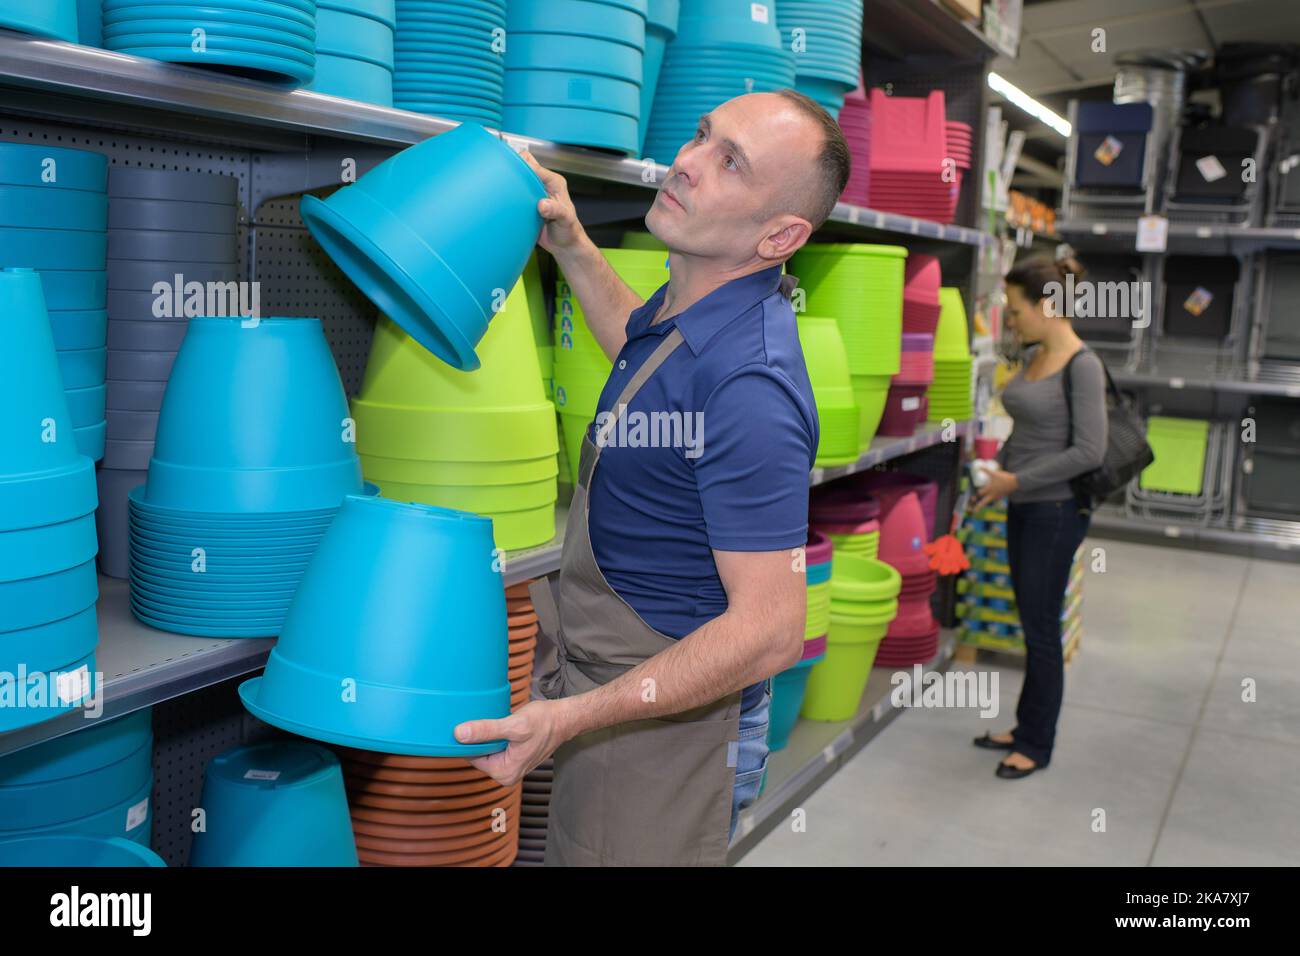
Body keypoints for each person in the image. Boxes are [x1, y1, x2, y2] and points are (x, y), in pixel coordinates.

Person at [454, 90, 851, 864]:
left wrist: (571, 718)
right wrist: (570, 243)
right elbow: (646, 360)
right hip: (619, 695)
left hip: (666, 724)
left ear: (780, 234)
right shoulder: (696, 312)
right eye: (703, 135)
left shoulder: (751, 389)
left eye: (729, 161)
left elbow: (770, 630)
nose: (688, 162)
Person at [971, 254, 1108, 779]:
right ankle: (1025, 725)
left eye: (1016, 308)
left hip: (1055, 512)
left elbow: (1090, 451)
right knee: (1033, 622)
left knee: (1042, 629)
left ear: (1048, 306)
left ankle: (1036, 743)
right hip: (1023, 504)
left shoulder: (1083, 365)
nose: (1011, 318)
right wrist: (998, 475)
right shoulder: (1033, 357)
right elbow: (1025, 433)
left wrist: (1017, 481)